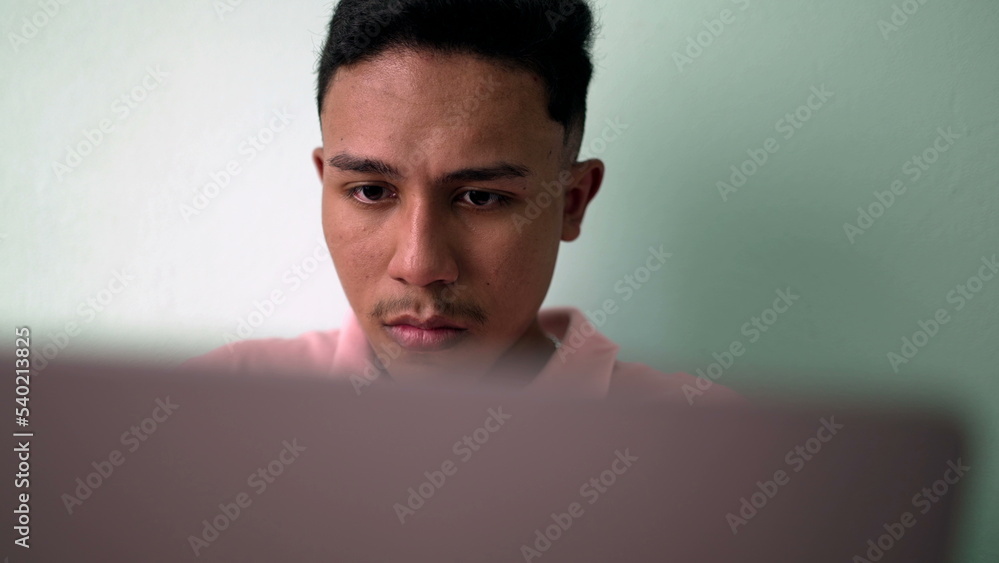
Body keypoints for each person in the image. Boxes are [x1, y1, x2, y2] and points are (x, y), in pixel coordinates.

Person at [184, 0, 741, 403]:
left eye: (480, 197)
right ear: (324, 183)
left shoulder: (715, 447)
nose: (420, 266)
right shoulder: (210, 407)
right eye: (372, 191)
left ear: (572, 202)